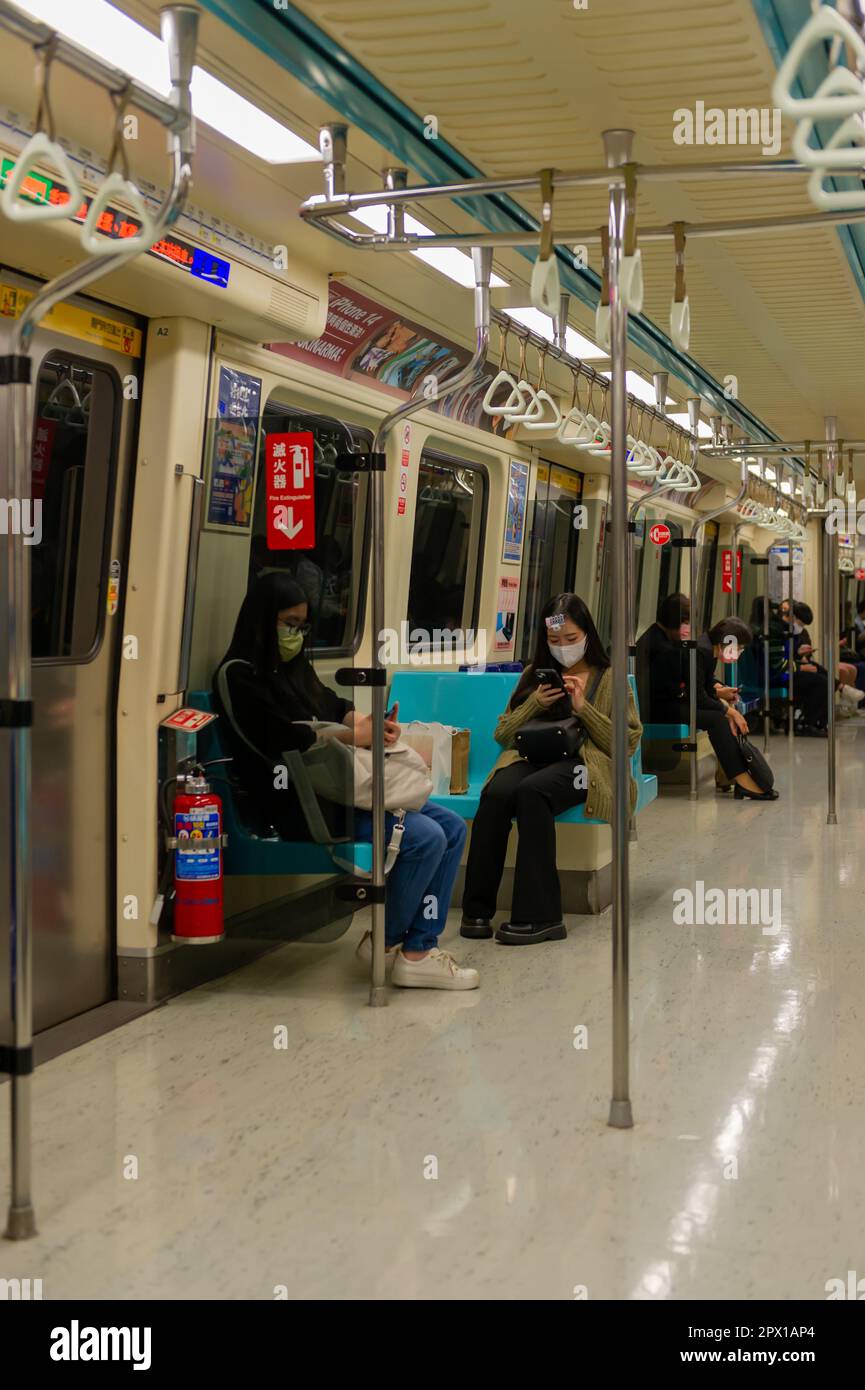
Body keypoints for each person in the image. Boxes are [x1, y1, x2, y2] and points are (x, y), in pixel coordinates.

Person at [213, 574, 477, 990]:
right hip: (299, 802)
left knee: (451, 828)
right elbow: (284, 737)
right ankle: (397, 943)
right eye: (288, 624)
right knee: (424, 837)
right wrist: (354, 737)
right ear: (262, 621)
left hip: (336, 788)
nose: (296, 635)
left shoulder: (293, 669)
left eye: (302, 627)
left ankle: (413, 948)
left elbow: (331, 705)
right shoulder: (239, 676)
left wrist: (369, 725)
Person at [460, 592, 642, 946]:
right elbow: (503, 734)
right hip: (533, 757)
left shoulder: (609, 678)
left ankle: (541, 917)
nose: (563, 647)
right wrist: (533, 703)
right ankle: (477, 909)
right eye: (555, 640)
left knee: (533, 792)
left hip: (587, 764)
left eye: (571, 639)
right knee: (496, 793)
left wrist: (582, 709)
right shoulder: (535, 675)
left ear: (587, 634)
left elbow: (627, 743)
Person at [638, 594, 778, 800]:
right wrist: (726, 707)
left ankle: (734, 777)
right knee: (717, 718)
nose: (688, 628)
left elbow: (697, 681)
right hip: (656, 706)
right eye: (684, 622)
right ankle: (740, 779)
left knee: (722, 713)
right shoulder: (665, 646)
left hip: (674, 700)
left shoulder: (686, 644)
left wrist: (719, 691)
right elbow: (691, 690)